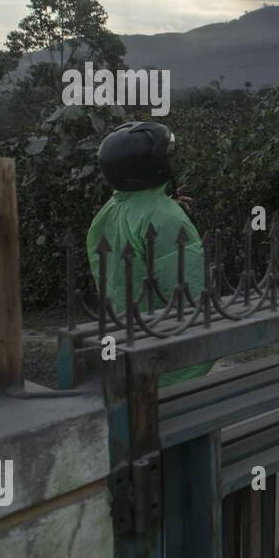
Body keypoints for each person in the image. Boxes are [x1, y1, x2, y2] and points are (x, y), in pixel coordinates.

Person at [87, 121, 212, 387]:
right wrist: (166, 213)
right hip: (165, 350)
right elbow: (190, 295)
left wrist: (162, 205)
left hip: (125, 334)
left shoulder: (111, 209)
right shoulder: (164, 217)